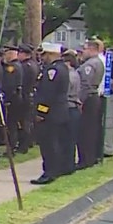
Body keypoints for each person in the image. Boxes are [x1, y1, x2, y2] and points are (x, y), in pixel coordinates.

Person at [32, 43, 71, 184]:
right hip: (58, 112)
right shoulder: (63, 68)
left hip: (50, 114)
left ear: (51, 54)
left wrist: (41, 112)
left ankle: (49, 172)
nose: (43, 58)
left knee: (49, 144)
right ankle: (54, 169)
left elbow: (47, 94)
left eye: (44, 55)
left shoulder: (53, 70)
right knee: (55, 142)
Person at [77, 40, 105, 169]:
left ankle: (86, 159)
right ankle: (91, 157)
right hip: (93, 97)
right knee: (91, 129)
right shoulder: (97, 62)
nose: (83, 52)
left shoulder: (90, 64)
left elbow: (85, 85)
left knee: (85, 130)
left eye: (85, 49)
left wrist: (80, 101)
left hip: (89, 98)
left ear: (92, 49)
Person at [64, 49, 82, 174]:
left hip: (69, 106)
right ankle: (69, 164)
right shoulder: (76, 73)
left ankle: (67, 165)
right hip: (74, 107)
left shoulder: (69, 75)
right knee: (70, 139)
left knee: (66, 139)